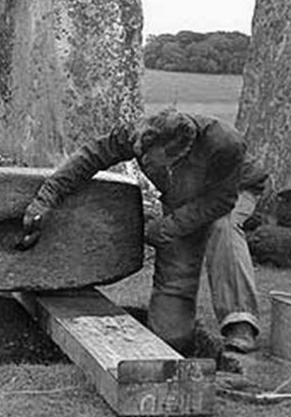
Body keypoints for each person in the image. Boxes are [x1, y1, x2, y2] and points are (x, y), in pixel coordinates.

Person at [23, 108, 268, 355]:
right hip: (182, 195)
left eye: (154, 161)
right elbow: (90, 157)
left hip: (235, 188)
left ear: (180, 155)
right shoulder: (136, 133)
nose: (146, 164)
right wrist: (46, 198)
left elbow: (221, 201)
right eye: (144, 157)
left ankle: (240, 322)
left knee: (222, 227)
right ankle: (170, 349)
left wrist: (167, 226)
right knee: (176, 265)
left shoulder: (224, 142)